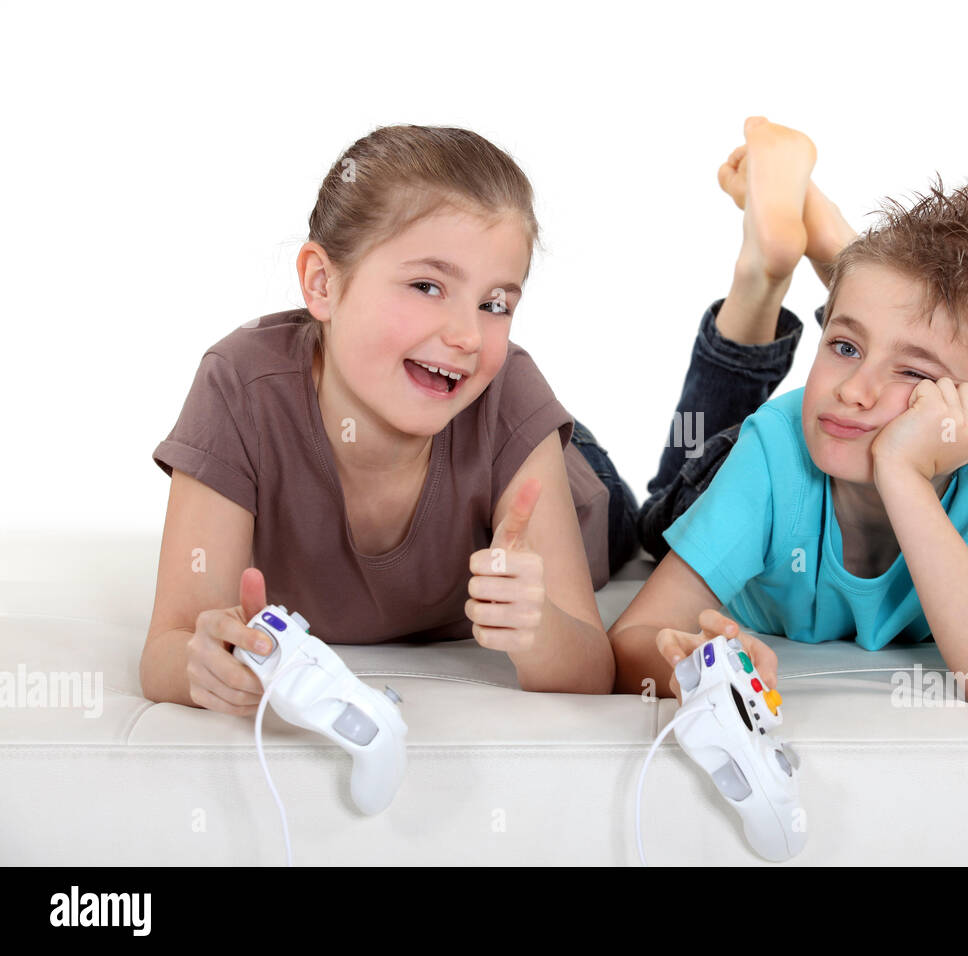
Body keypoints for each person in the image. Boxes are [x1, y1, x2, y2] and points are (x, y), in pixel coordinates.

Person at [141, 125, 639, 712]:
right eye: (427, 286)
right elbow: (168, 648)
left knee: (676, 511)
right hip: (495, 428)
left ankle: (746, 312)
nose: (466, 336)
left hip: (586, 486)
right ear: (322, 283)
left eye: (495, 304)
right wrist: (201, 667)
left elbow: (590, 667)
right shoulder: (240, 388)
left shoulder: (508, 397)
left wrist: (538, 630)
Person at [613, 116, 968, 709]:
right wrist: (697, 668)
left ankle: (839, 255)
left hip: (824, 445)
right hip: (732, 463)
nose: (854, 389)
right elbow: (630, 639)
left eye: (914, 373)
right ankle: (764, 274)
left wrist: (904, 476)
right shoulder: (773, 455)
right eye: (843, 345)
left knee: (885, 308)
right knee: (658, 516)